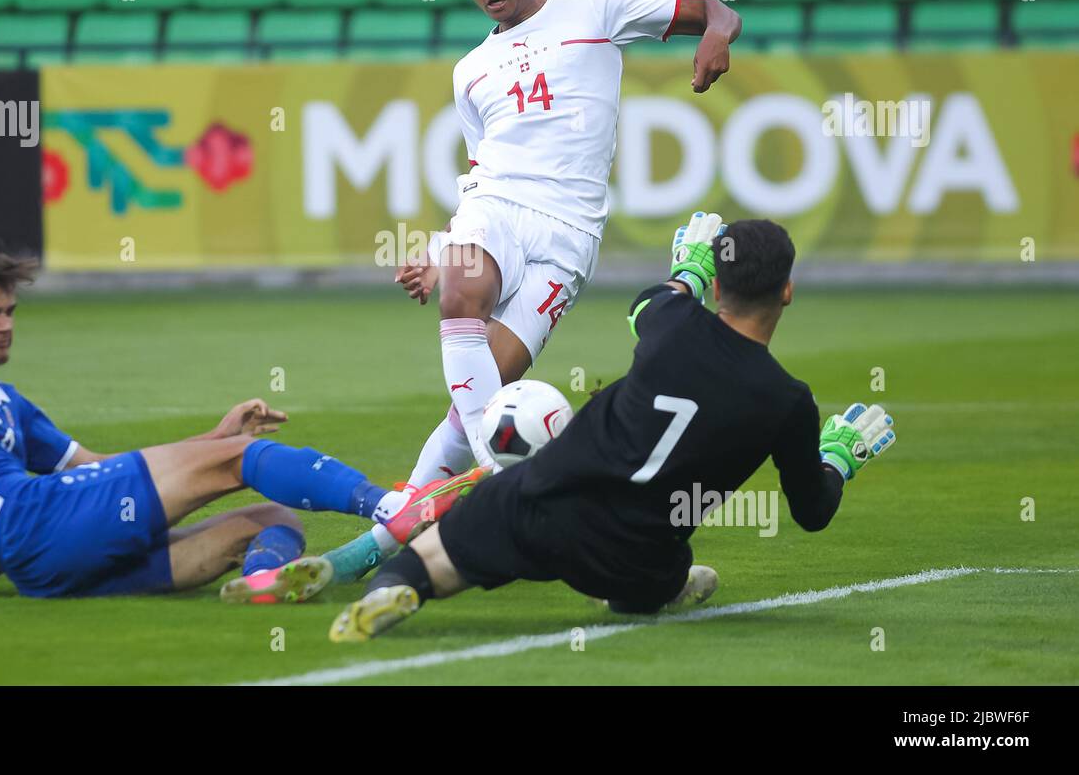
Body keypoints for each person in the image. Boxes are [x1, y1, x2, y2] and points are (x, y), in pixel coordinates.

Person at [322, 0, 744, 583]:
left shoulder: (596, 9)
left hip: (568, 236)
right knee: (461, 298)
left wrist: (715, 36)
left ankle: (390, 533)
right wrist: (442, 246)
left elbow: (715, 9)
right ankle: (508, 482)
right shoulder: (471, 71)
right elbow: (482, 177)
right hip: (496, 210)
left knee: (480, 396)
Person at [0, 247, 483, 602]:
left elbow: (99, 469)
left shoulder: (6, 401)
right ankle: (393, 506)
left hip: (48, 560)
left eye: (11, 313)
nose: (4, 325)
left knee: (266, 517)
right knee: (241, 459)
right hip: (30, 523)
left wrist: (209, 437)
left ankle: (267, 581)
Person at [328, 214, 899, 641]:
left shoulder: (670, 323)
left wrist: (688, 271)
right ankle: (661, 590)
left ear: (718, 290)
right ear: (788, 292)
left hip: (540, 499)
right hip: (637, 554)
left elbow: (649, 303)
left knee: (425, 566)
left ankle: (395, 589)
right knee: (654, 585)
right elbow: (812, 512)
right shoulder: (788, 401)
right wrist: (836, 459)